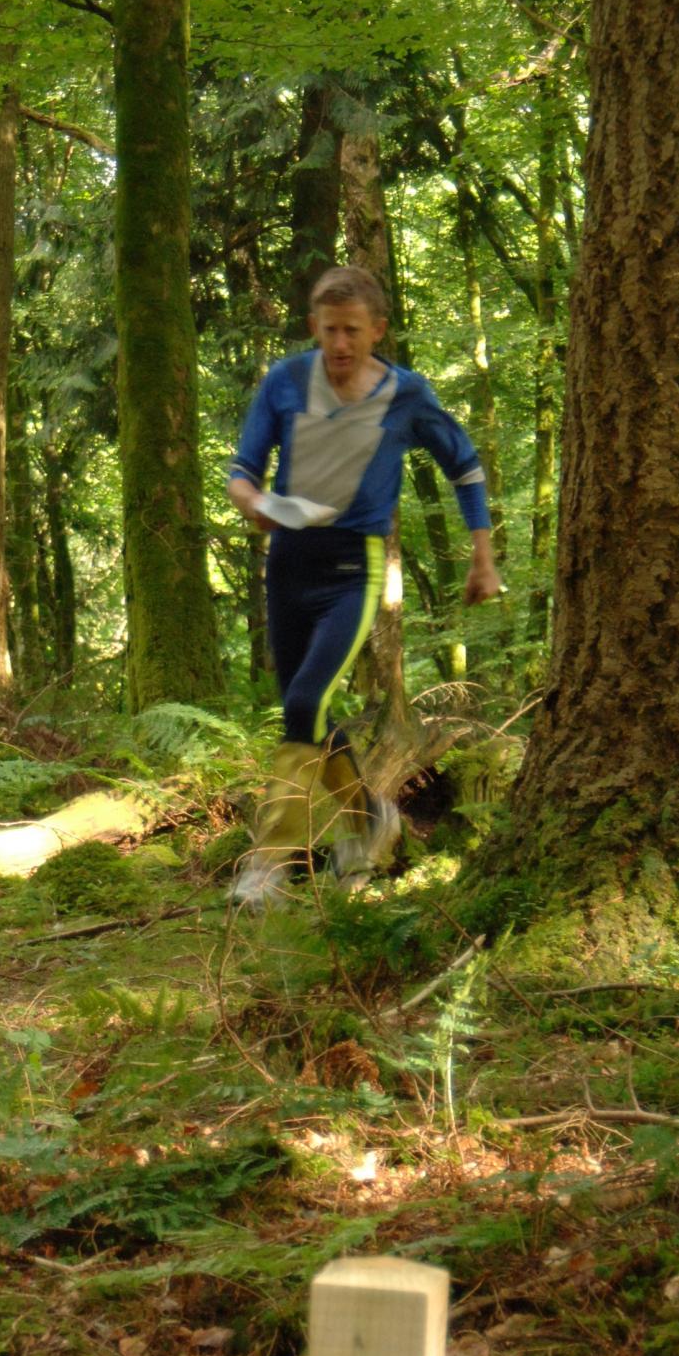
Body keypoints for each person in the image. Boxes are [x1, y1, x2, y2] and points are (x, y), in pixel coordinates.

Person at [227, 264, 502, 904]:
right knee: (311, 714)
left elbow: (464, 466)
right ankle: (367, 819)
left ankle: (268, 865)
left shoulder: (406, 396)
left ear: (377, 330)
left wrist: (482, 556)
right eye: (330, 332)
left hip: (354, 568)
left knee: (303, 704)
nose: (342, 345)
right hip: (289, 562)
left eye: (353, 331)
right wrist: (251, 503)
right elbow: (244, 467)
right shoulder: (285, 381)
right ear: (313, 329)